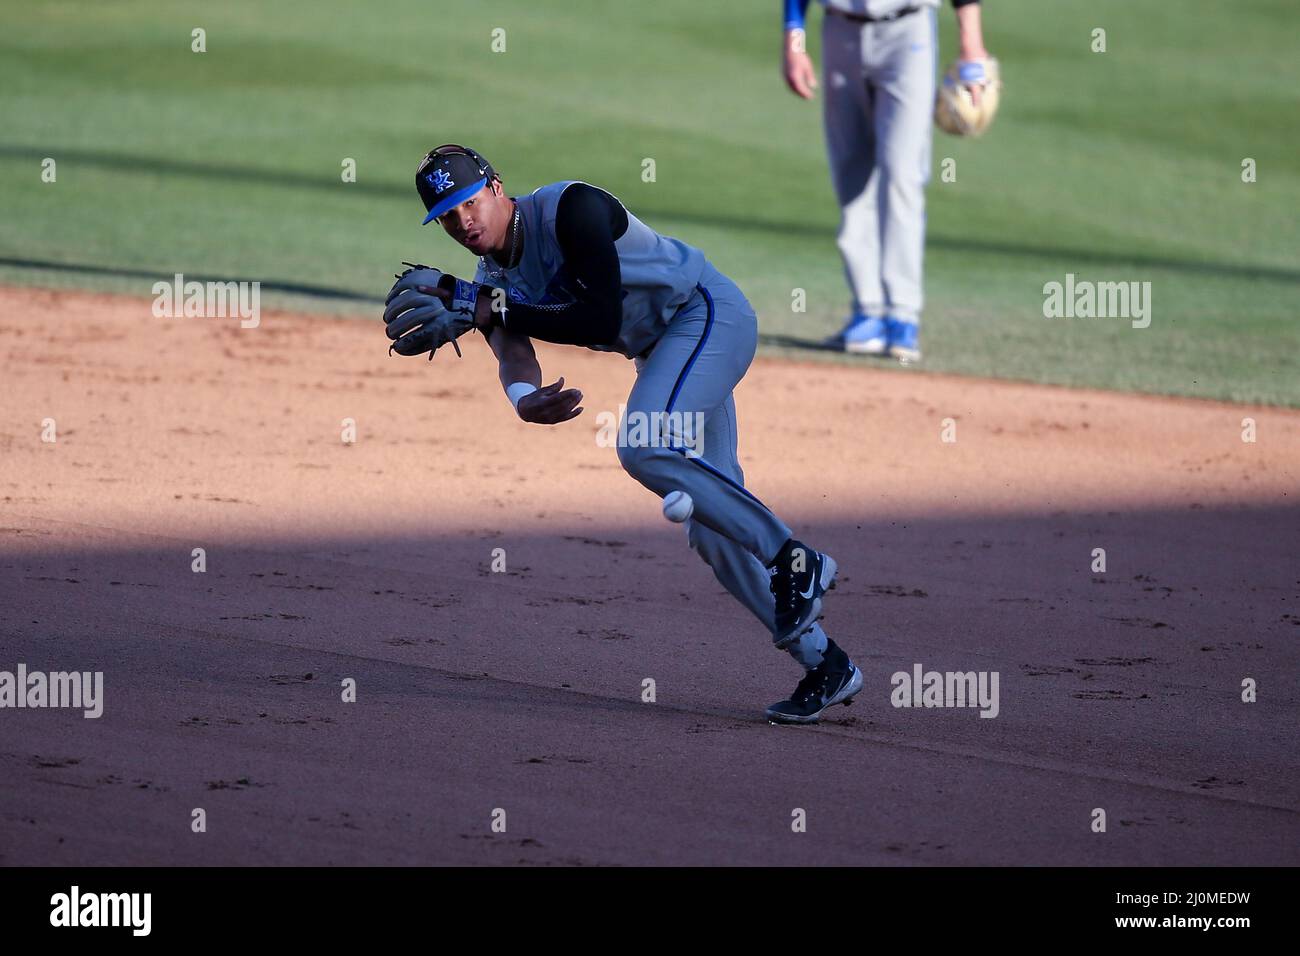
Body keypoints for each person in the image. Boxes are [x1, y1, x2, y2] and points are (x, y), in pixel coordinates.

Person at [383, 144, 863, 724]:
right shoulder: (492, 279)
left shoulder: (571, 209)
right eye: (447, 217)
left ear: (495, 185)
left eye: (469, 202)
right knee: (711, 531)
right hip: (665, 358)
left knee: (641, 445)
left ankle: (795, 559)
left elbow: (600, 319)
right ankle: (826, 664)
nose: (464, 223)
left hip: (706, 317)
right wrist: (521, 395)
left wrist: (481, 304)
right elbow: (511, 350)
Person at [781, 0, 990, 361]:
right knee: (850, 173)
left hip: (908, 34)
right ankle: (868, 311)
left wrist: (971, 46)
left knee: (901, 174)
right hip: (839, 32)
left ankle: (902, 315)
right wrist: (794, 42)